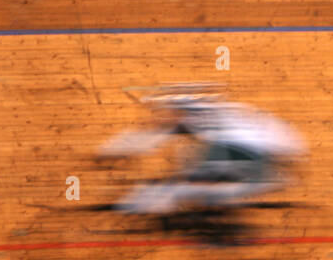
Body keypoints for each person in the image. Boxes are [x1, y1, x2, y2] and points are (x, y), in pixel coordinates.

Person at [98, 85, 306, 226]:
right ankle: (214, 214)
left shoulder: (203, 125)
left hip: (256, 155)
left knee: (193, 184)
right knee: (191, 168)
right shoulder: (213, 114)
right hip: (270, 145)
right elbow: (153, 135)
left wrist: (110, 152)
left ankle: (222, 228)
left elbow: (153, 136)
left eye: (167, 112)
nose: (162, 117)